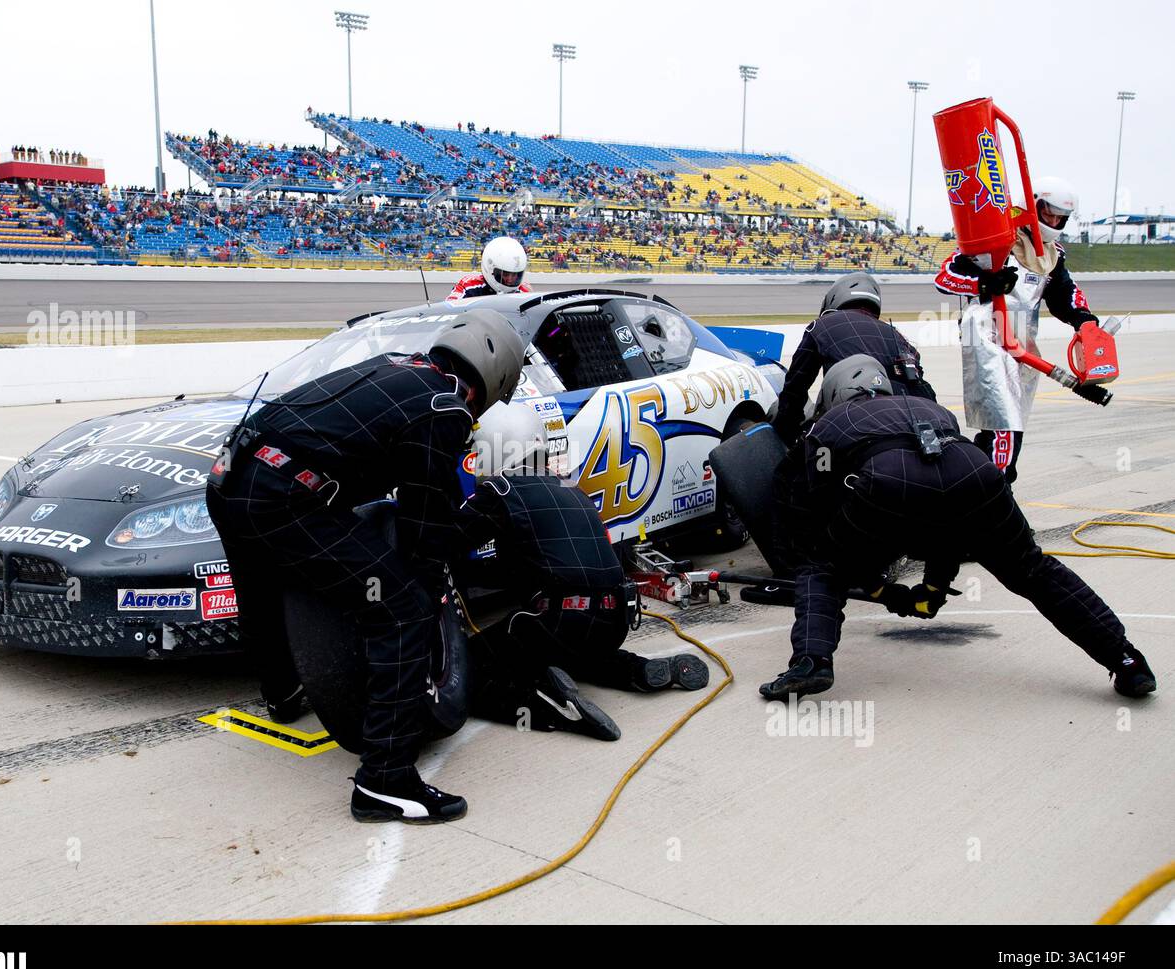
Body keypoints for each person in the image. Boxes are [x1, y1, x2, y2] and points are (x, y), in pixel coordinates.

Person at [206, 309, 527, 825]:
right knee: (403, 608)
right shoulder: (445, 408)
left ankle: (284, 692)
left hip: (231, 477)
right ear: (494, 380)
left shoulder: (395, 366)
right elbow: (425, 535)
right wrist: (479, 523)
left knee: (265, 587)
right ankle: (385, 780)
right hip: (284, 496)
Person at [760, 355, 1156, 702]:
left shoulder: (828, 425)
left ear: (833, 394)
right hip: (979, 477)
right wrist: (930, 590)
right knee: (1033, 570)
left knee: (821, 566)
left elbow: (808, 507)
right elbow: (944, 510)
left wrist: (873, 584)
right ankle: (1127, 660)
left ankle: (811, 663)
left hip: (888, 484)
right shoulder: (929, 408)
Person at [455, 409, 710, 740]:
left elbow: (446, 540)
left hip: (562, 621)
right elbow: (517, 570)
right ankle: (638, 670)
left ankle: (551, 709)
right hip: (615, 619)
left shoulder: (500, 492)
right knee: (576, 657)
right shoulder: (573, 490)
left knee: (469, 670)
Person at [934, 176, 1103, 483]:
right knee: (1004, 423)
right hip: (986, 336)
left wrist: (1084, 320)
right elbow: (945, 277)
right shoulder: (996, 240)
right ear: (1031, 206)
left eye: (1059, 216)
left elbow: (1065, 295)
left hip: (1023, 344)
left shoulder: (1052, 255)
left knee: (1013, 425)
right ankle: (997, 491)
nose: (1053, 220)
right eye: (1048, 212)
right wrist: (984, 283)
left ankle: (983, 486)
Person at [772, 272, 936, 446]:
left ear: (834, 298)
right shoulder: (897, 335)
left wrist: (785, 434)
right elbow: (920, 386)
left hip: (856, 421)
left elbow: (795, 387)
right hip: (913, 425)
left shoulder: (822, 326)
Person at [447, 236, 532, 301]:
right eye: (505, 274)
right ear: (491, 270)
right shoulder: (468, 285)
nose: (510, 279)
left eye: (514, 275)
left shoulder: (523, 291)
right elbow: (449, 309)